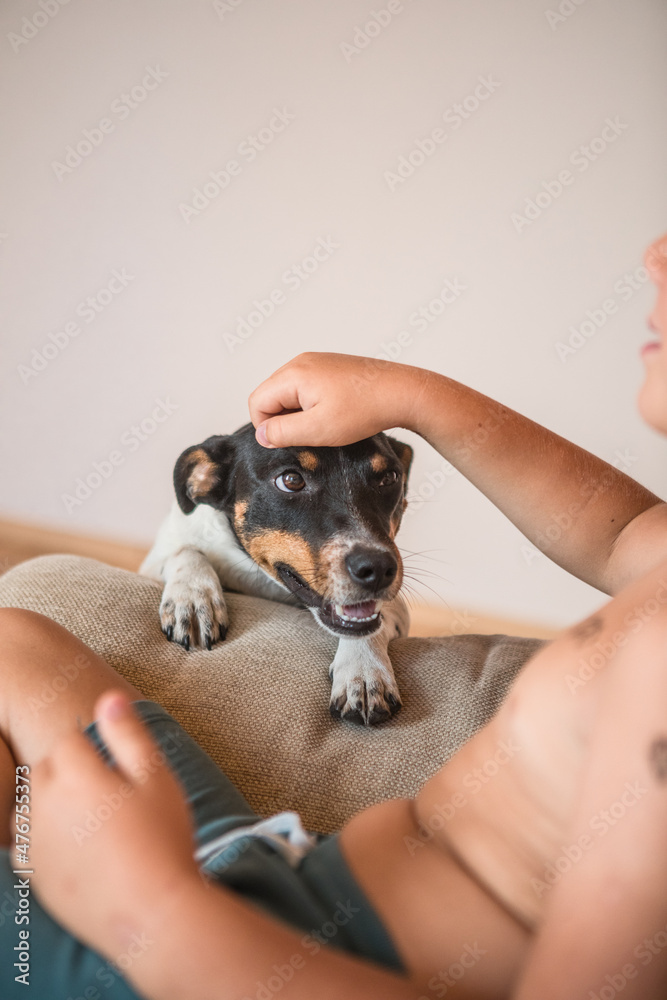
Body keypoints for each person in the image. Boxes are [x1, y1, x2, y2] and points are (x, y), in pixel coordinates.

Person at [1, 233, 666, 1000]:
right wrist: (410, 394)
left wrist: (148, 906)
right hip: (277, 864)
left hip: (247, 957)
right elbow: (617, 534)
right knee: (13, 644)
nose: (652, 256)